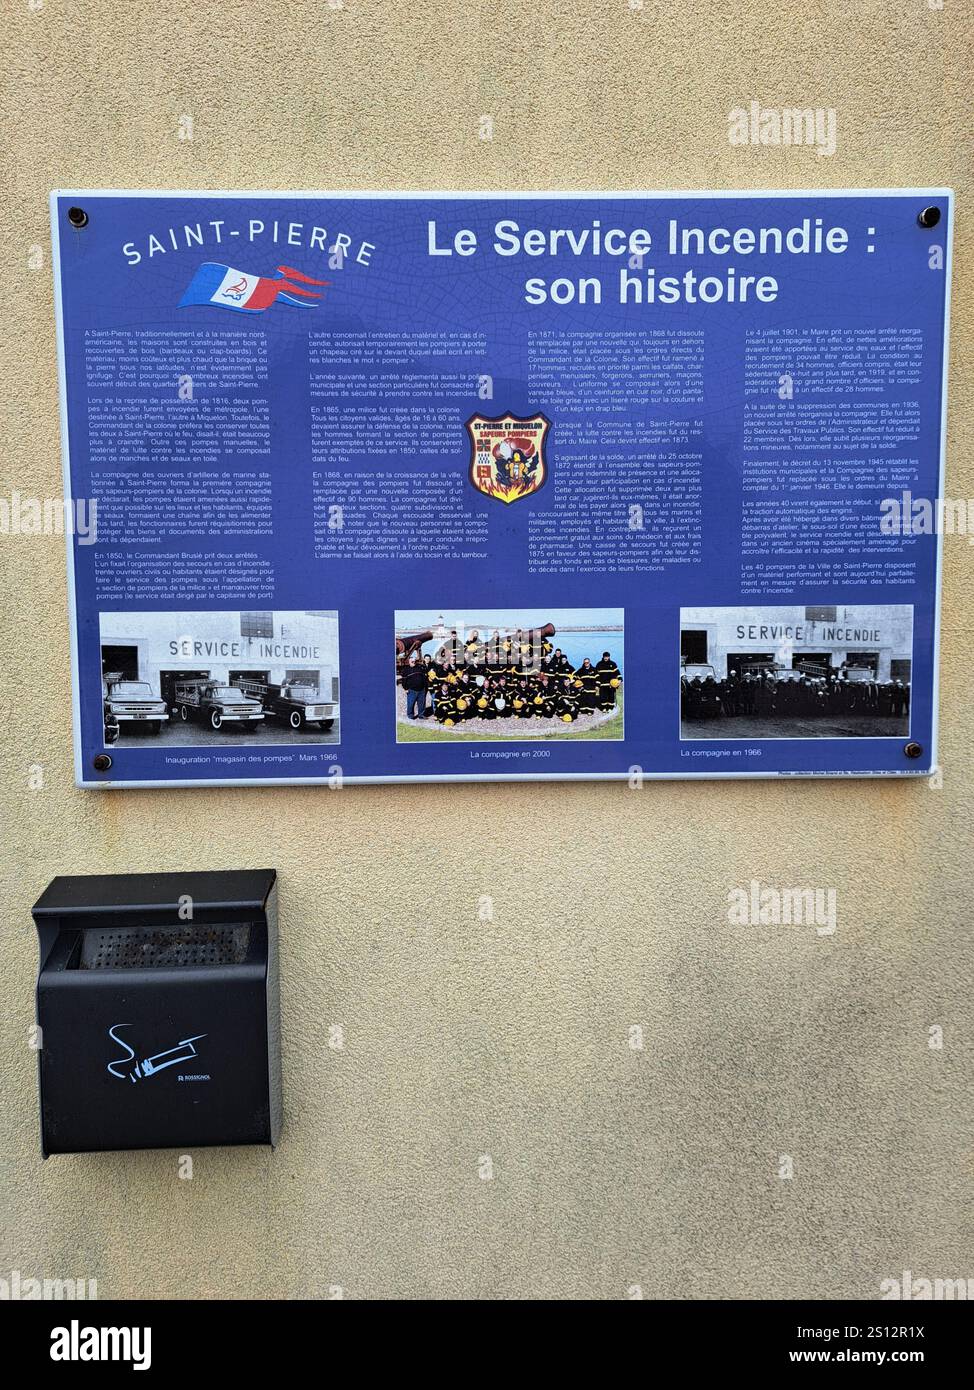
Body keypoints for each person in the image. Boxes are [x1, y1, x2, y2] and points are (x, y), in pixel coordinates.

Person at [400, 652, 428, 720]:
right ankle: (410, 715)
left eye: (414, 661)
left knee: (421, 704)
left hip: (421, 690)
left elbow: (424, 678)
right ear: (409, 662)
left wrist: (425, 687)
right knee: (411, 703)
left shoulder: (419, 668)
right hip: (412, 690)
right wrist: (405, 688)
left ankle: (421, 715)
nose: (413, 662)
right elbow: (404, 681)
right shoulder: (406, 670)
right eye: (412, 661)